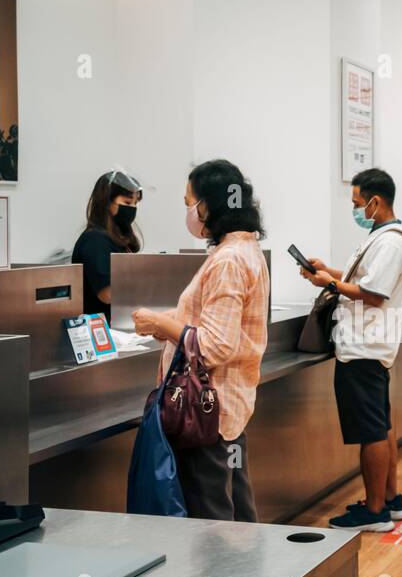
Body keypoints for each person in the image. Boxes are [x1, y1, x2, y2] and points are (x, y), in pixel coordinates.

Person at [131, 160, 270, 522]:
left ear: (208, 205)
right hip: (227, 409)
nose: (188, 211)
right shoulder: (245, 250)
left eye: (188, 202)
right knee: (234, 508)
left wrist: (162, 323)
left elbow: (215, 346)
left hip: (206, 412)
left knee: (211, 516)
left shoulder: (227, 261)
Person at [301, 168, 402, 532]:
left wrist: (329, 282)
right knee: (381, 426)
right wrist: (327, 271)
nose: (356, 209)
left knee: (371, 433)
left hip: (364, 348)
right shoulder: (381, 238)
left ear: (375, 201)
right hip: (368, 347)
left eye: (357, 203)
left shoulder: (390, 243)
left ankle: (375, 510)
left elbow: (374, 294)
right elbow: (365, 281)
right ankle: (391, 499)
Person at [72, 169, 143, 321]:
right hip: (100, 332)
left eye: (136, 203)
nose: (133, 208)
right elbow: (107, 294)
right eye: (127, 202)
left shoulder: (119, 239)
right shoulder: (95, 240)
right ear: (107, 202)